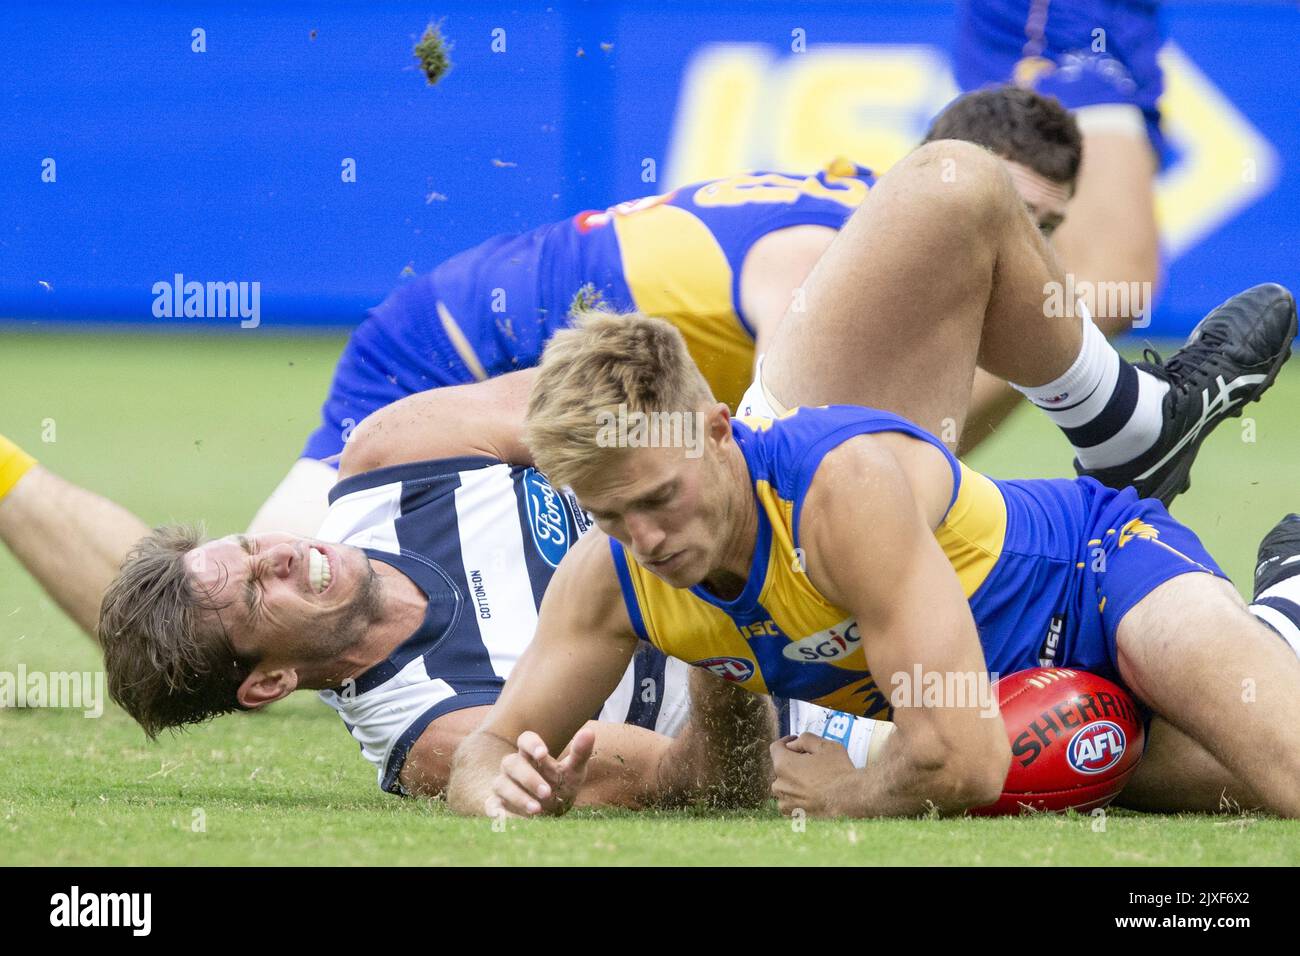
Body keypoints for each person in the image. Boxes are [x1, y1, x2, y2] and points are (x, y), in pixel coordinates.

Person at [443, 138, 1300, 819]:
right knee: (1169, 769)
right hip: (1028, 710)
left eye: (659, 498)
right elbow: (487, 748)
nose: (647, 539)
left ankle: (1277, 594)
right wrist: (500, 791)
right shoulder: (615, 574)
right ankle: (1282, 611)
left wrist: (846, 793)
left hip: (1102, 578)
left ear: (717, 431)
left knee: (1289, 778)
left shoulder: (835, 487)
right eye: (611, 515)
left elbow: (960, 758)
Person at [249, 87, 1091, 537]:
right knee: (251, 631)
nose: (1021, 242)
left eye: (1045, 228)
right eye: (1011, 211)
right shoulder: (824, 252)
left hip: (548, 385)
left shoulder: (863, 213)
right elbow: (818, 447)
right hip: (452, 353)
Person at [954, 0, 1167, 448]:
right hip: (1065, 22)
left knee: (1060, 288)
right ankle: (849, 461)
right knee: (1112, 282)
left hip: (1123, 28)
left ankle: (892, 480)